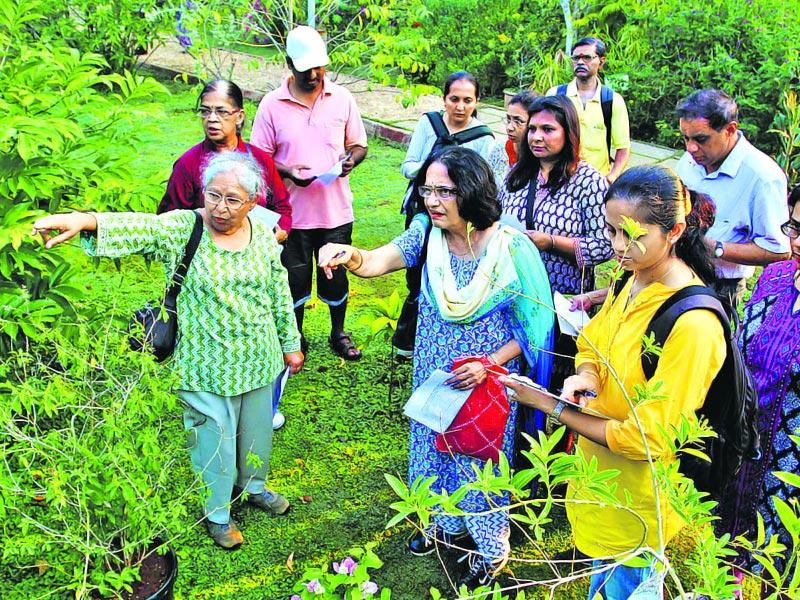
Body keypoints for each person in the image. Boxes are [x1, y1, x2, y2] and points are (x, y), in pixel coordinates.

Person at [32, 152, 304, 551]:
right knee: (214, 438)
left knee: (256, 434)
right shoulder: (184, 227)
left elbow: (278, 290)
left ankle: (254, 486)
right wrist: (86, 220)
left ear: (253, 202)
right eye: (214, 195)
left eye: (233, 199)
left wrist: (290, 344)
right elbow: (142, 228)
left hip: (258, 358)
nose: (221, 207)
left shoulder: (263, 234)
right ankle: (218, 514)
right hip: (203, 363)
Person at [318, 147, 554, 589]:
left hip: (484, 381)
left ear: (472, 191)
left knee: (478, 461)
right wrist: (348, 254)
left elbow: (535, 328)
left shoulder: (511, 248)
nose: (432, 200)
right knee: (431, 448)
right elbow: (375, 261)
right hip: (434, 373)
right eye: (427, 189)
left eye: (444, 191)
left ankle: (489, 547)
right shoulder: (427, 234)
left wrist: (489, 365)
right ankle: (444, 525)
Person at [504, 165, 727, 599]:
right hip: (601, 483)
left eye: (632, 235)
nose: (618, 247)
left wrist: (553, 406)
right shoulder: (635, 277)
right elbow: (594, 341)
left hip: (639, 504)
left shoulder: (694, 324)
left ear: (675, 231)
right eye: (611, 231)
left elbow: (649, 439)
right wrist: (586, 374)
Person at [251, 25, 368, 360]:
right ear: (289, 64)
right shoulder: (272, 105)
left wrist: (350, 161)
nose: (315, 74)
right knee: (294, 278)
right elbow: (259, 158)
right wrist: (288, 173)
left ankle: (338, 333)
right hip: (293, 214)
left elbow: (359, 145)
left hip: (336, 211)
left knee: (335, 277)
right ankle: (296, 337)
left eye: (320, 67)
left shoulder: (342, 98)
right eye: (306, 68)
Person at [498, 94, 613, 394]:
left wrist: (550, 242)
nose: (537, 137)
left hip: (561, 304)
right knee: (513, 379)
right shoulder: (517, 175)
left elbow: (605, 245)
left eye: (548, 130)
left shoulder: (589, 183)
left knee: (552, 388)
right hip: (515, 296)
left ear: (569, 133)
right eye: (533, 129)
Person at [722, 184, 800, 595]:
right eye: (796, 227)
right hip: (746, 443)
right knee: (728, 545)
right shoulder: (775, 277)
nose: (798, 242)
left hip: (791, 466)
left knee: (781, 567)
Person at [392, 71, 496, 358]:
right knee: (416, 272)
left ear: (477, 102)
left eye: (467, 100)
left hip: (461, 220)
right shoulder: (430, 123)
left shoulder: (483, 138)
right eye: (454, 99)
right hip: (422, 209)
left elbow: (484, 182)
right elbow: (408, 165)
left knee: (449, 273)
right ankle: (408, 339)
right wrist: (432, 170)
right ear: (444, 99)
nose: (460, 107)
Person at [676, 89, 790, 308]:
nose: (690, 148)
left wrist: (715, 248)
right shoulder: (690, 160)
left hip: (718, 286)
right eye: (685, 138)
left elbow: (780, 250)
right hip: (676, 273)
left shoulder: (763, 177)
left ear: (730, 130)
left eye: (701, 139)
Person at [158, 79, 292, 241]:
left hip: (253, 253)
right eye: (205, 111)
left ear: (239, 116)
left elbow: (282, 207)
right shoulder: (188, 164)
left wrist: (279, 232)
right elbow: (169, 221)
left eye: (221, 111)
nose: (212, 118)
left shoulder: (260, 160)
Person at [547, 36, 630, 183]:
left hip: (596, 182)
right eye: (576, 58)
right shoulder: (555, 95)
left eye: (587, 57)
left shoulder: (612, 101)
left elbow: (623, 148)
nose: (580, 62)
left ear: (601, 61)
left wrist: (611, 177)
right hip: (559, 179)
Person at [487, 90, 539, 185]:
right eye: (508, 119)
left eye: (518, 121)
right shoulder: (499, 150)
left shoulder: (541, 159)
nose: (509, 127)